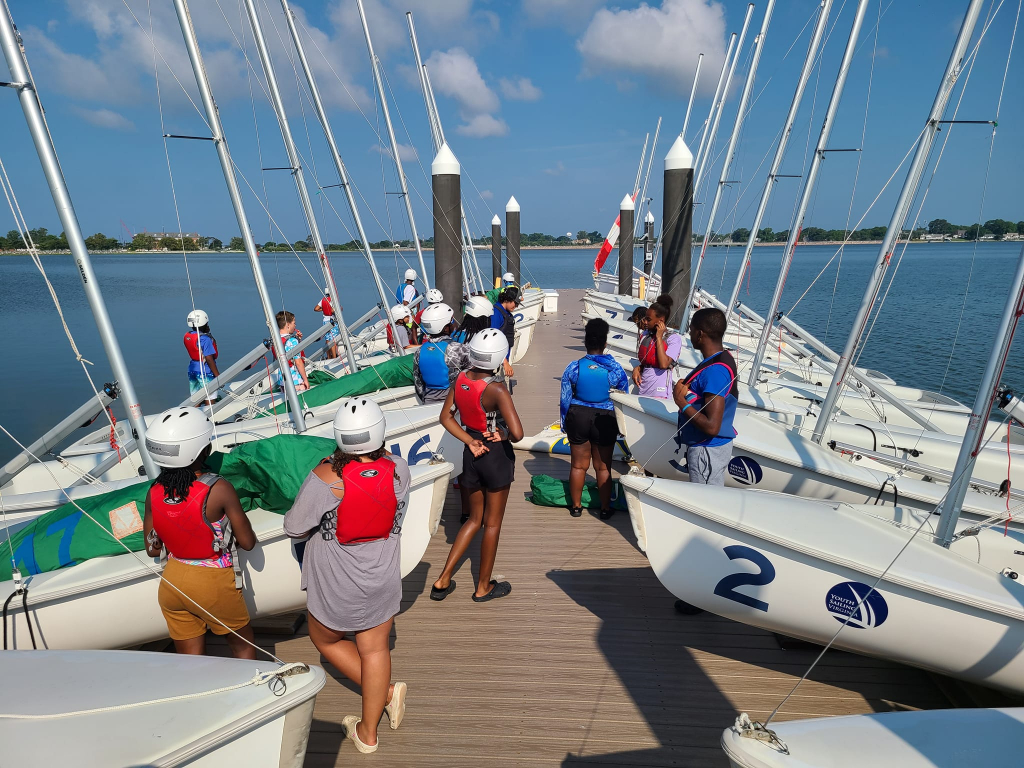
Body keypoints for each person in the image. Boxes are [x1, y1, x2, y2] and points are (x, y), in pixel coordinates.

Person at [284, 398, 410, 754]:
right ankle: (368, 734)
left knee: (325, 640)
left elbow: (294, 526)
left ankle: (386, 693)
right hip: (383, 574)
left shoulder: (327, 477)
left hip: (338, 581)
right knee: (375, 649)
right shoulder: (400, 469)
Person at [143, 406, 257, 659]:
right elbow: (247, 542)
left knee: (191, 663)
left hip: (172, 583)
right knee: (243, 648)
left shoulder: (153, 492)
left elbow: (152, 548)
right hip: (212, 583)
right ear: (203, 450)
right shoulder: (219, 488)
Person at [431, 330, 523, 602]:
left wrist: (470, 441)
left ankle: (443, 578)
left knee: (474, 519)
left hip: (471, 453)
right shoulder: (496, 389)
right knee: (492, 524)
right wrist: (503, 434)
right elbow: (517, 433)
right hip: (495, 455)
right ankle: (483, 586)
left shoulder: (459, 379)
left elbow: (445, 418)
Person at [559, 318, 629, 519]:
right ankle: (605, 508)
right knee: (603, 466)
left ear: (585, 342)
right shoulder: (614, 369)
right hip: (604, 418)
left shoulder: (574, 367)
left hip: (578, 415)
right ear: (605, 343)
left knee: (578, 465)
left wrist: (565, 423)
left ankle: (576, 507)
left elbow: (565, 399)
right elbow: (622, 394)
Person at [672, 307, 738, 485]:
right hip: (710, 448)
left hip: (707, 449)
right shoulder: (721, 357)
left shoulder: (715, 371)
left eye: (691, 330)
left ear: (700, 334)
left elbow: (712, 427)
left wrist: (680, 402)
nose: (690, 334)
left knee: (705, 500)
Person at [632, 295, 681, 399]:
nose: (645, 322)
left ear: (661, 321)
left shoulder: (673, 339)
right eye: (645, 318)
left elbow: (664, 364)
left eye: (648, 319)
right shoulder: (646, 335)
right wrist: (638, 367)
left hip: (660, 392)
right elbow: (648, 361)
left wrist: (659, 337)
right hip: (644, 389)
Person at [414, 302, 456, 403]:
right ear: (446, 327)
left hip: (429, 402)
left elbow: (418, 383)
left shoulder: (419, 351)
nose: (454, 323)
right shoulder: (455, 348)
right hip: (452, 403)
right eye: (452, 321)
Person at [184, 310, 220, 406]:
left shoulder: (189, 336)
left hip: (192, 369)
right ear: (204, 324)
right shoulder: (205, 339)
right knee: (210, 395)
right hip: (205, 371)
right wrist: (218, 376)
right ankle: (211, 415)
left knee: (196, 396)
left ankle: (196, 413)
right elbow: (209, 359)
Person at [275, 310, 310, 392]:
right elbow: (298, 362)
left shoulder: (275, 340)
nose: (295, 325)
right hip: (295, 380)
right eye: (294, 323)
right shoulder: (292, 341)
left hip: (282, 380)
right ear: (288, 325)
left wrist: (298, 340)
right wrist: (305, 379)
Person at [490, 286, 519, 380]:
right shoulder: (496, 314)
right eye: (515, 303)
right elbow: (493, 338)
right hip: (497, 361)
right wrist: (505, 362)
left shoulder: (505, 313)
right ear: (507, 299)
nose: (516, 306)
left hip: (503, 359)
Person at [314, 291, 341, 360]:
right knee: (333, 340)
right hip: (332, 321)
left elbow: (316, 309)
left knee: (327, 340)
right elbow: (332, 311)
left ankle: (329, 357)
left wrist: (323, 309)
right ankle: (334, 358)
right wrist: (339, 309)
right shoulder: (333, 300)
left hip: (325, 321)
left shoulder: (323, 299)